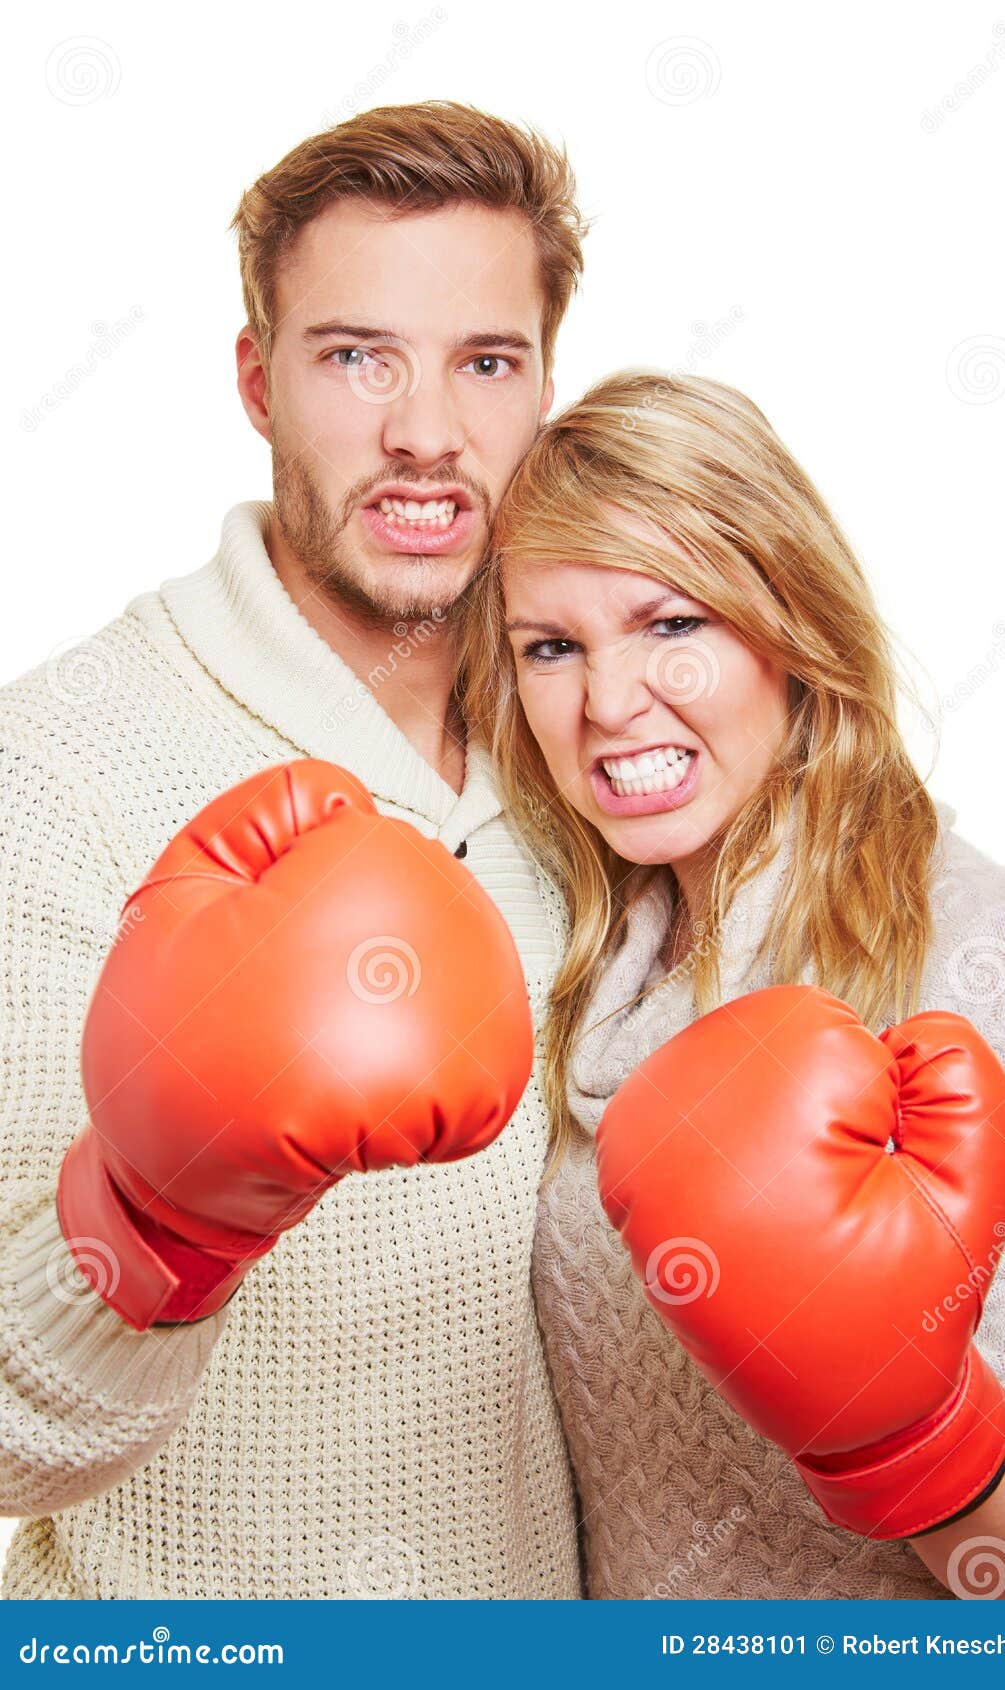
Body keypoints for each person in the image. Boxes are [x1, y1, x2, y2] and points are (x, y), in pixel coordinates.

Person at [0, 101, 589, 1599]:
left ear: (541, 385)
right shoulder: (59, 763)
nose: (425, 433)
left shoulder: (589, 745)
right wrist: (157, 1213)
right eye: (355, 356)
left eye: (484, 362)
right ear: (257, 382)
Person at [460, 370, 1005, 1600]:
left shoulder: (965, 955)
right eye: (553, 647)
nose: (609, 701)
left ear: (787, 619)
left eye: (671, 624)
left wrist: (912, 1431)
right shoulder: (585, 966)